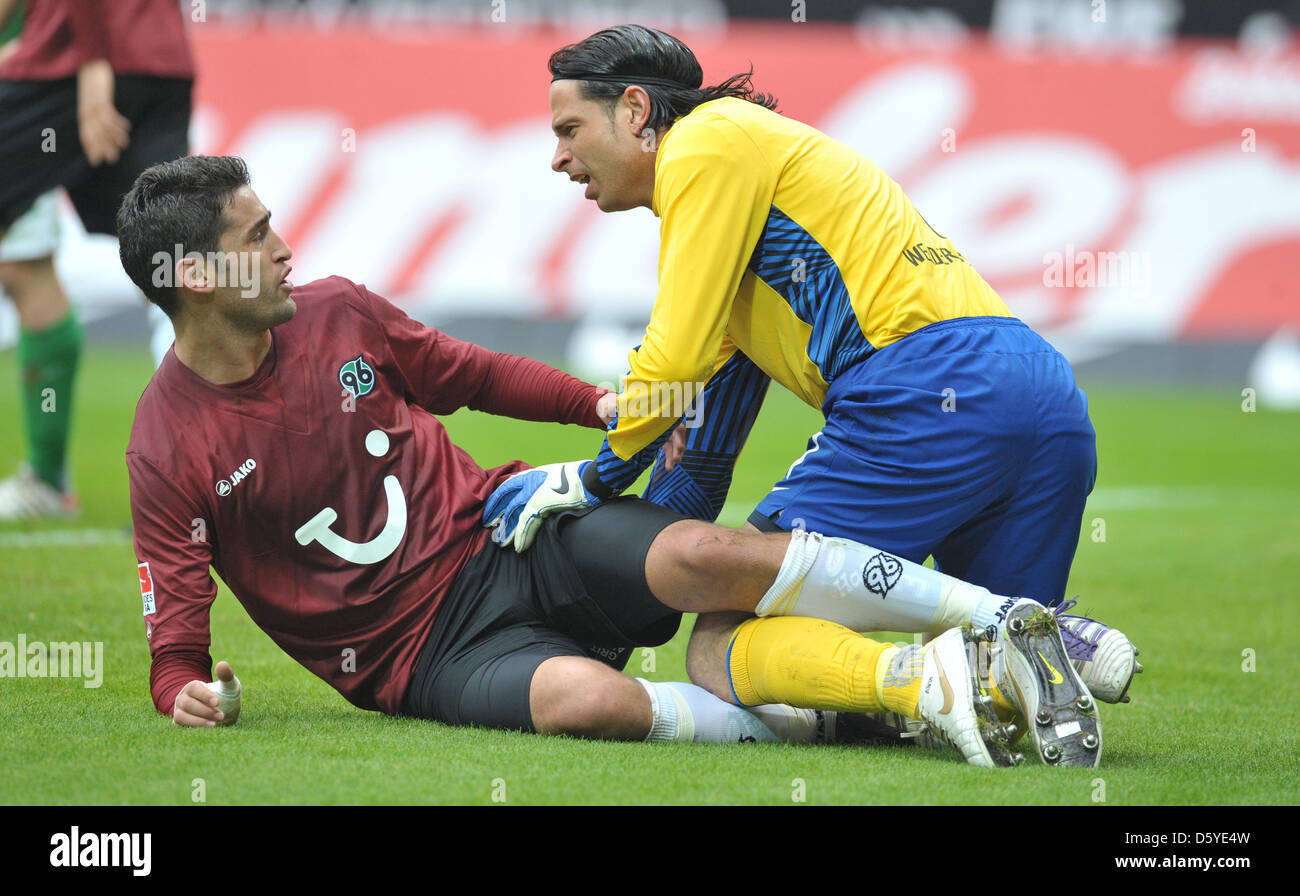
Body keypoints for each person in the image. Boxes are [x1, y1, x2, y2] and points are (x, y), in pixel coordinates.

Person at [116, 155, 1109, 768]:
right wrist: (182, 686)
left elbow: (465, 372)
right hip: (413, 654)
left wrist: (599, 405)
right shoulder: (167, 444)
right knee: (587, 704)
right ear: (196, 276)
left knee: (707, 555)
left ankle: (1017, 628)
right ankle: (909, 691)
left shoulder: (337, 308)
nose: (287, 248)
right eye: (259, 236)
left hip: (501, 533)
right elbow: (176, 613)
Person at [483, 25, 1141, 736]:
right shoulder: (743, 219)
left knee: (720, 643)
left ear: (637, 111)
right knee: (995, 679)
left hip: (923, 392)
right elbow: (699, 468)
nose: (559, 157)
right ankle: (1057, 638)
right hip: (1042, 390)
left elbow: (670, 364)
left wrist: (591, 478)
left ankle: (922, 684)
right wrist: (625, 590)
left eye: (570, 128)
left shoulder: (705, 141)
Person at [0, 0, 193, 519]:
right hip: (161, 61)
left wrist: (92, 62)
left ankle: (46, 479)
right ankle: (220, 474)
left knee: (177, 265)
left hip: (76, 59)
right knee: (177, 268)